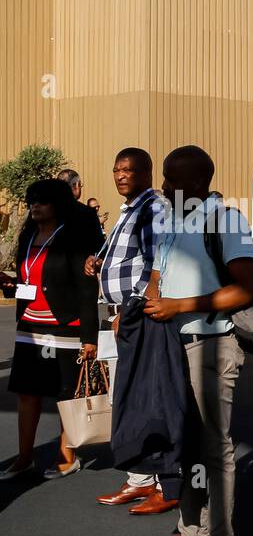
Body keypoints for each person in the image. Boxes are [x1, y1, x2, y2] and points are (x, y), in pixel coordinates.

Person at [139, 145, 253, 536]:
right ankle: (191, 535)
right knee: (185, 446)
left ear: (194, 183)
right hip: (171, 346)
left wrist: (180, 305)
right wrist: (149, 300)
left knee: (214, 449)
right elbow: (156, 276)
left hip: (210, 346)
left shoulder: (226, 221)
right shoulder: (171, 221)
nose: (163, 186)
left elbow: (246, 288)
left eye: (171, 179)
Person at [83, 147, 176, 514]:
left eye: (129, 170)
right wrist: (98, 261)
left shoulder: (153, 208)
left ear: (147, 173)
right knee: (127, 398)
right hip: (121, 315)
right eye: (116, 169)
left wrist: (131, 307)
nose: (121, 175)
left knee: (146, 399)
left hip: (138, 316)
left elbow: (156, 264)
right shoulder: (130, 209)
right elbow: (129, 257)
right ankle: (140, 479)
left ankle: (162, 483)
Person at [0, 179, 101, 480]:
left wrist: (89, 338)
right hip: (30, 326)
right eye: (32, 200)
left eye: (42, 200)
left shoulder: (72, 238)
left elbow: (87, 290)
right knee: (27, 392)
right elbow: (30, 282)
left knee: (65, 395)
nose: (35, 206)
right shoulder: (28, 236)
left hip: (66, 326)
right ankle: (24, 458)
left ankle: (67, 456)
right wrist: (10, 285)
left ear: (57, 204)